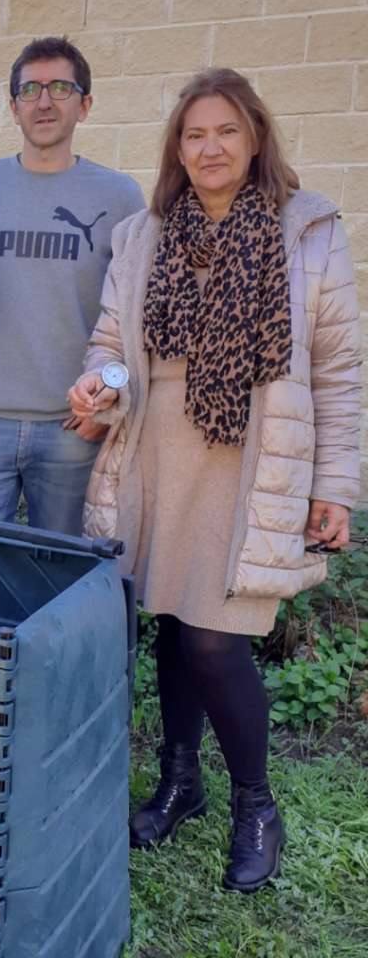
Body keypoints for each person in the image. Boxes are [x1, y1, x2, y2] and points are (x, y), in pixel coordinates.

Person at [67, 68, 361, 893]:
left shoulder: (307, 230)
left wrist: (334, 486)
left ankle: (256, 806)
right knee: (171, 620)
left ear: (256, 138)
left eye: (226, 130)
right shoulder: (144, 233)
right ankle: (180, 782)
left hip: (252, 460)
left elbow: (337, 370)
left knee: (213, 638)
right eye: (194, 134)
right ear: (177, 148)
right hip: (156, 453)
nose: (210, 147)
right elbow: (112, 344)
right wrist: (97, 382)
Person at [0, 36, 145, 536]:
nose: (44, 101)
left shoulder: (120, 198)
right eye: (30, 89)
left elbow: (138, 316)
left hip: (74, 429)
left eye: (60, 88)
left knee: (64, 571)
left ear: (84, 105)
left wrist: (112, 402)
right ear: (13, 107)